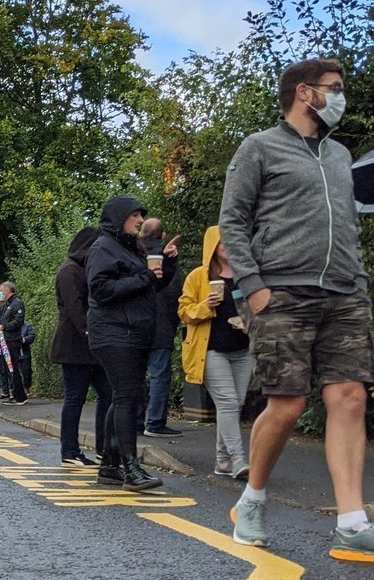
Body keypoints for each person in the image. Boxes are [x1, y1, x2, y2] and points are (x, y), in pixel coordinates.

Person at [219, 57, 374, 564]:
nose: (340, 97)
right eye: (333, 89)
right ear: (304, 92)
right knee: (288, 405)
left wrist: (357, 279)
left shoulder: (340, 155)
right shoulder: (259, 147)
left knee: (351, 397)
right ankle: (252, 500)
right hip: (282, 293)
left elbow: (346, 226)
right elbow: (232, 221)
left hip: (345, 294)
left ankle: (353, 524)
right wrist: (254, 288)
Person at [87, 196, 177, 492]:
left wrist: (169, 265)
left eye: (141, 215)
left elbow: (152, 286)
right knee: (127, 397)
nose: (139, 220)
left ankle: (111, 467)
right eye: (134, 215)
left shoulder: (130, 248)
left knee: (124, 398)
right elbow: (100, 290)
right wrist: (144, 277)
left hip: (132, 333)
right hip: (114, 333)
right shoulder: (103, 247)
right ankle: (131, 469)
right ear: (118, 218)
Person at [178, 226, 252, 480]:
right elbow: (184, 312)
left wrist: (250, 318)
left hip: (242, 348)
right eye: (223, 243)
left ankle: (222, 461)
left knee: (234, 403)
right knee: (229, 403)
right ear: (212, 247)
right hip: (210, 350)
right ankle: (239, 460)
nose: (229, 247)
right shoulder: (198, 276)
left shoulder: (244, 275)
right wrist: (205, 306)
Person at [52, 226, 112, 468]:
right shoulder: (70, 271)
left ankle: (103, 448)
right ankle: (70, 451)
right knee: (75, 398)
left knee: (108, 395)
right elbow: (76, 310)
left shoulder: (84, 270)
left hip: (90, 345)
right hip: (75, 346)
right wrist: (91, 332)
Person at [139, 218, 183, 437]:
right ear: (163, 235)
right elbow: (175, 294)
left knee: (136, 375)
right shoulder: (168, 258)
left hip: (135, 325)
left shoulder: (132, 255)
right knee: (159, 375)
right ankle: (155, 423)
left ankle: (136, 420)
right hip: (161, 326)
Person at [0, 282, 29, 405]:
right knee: (10, 369)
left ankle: (20, 397)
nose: (0, 293)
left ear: (7, 290)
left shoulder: (17, 303)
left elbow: (18, 321)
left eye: (1, 291)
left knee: (14, 368)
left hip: (13, 340)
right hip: (7, 340)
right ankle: (16, 394)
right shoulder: (7, 304)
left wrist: (4, 327)